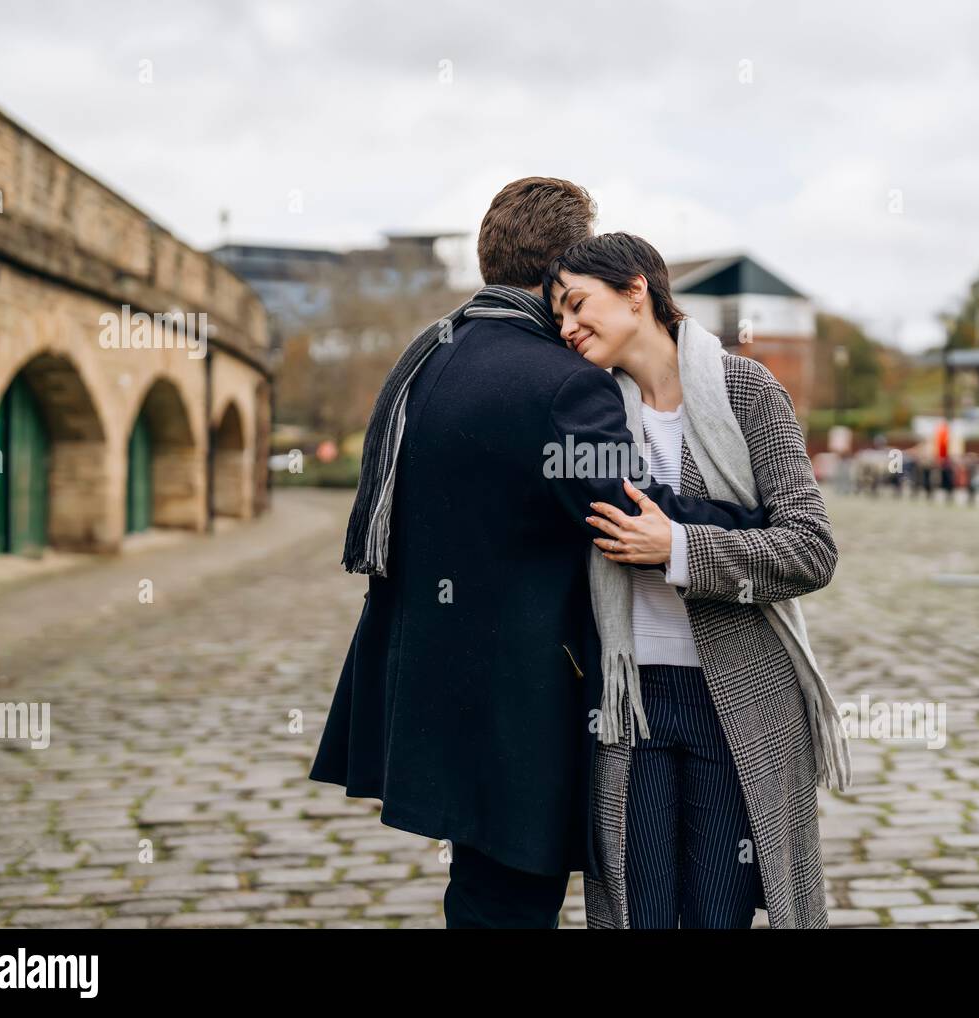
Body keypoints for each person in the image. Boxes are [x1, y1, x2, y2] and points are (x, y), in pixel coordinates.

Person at [308, 179, 767, 929]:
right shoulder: (562, 385)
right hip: (521, 703)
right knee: (516, 902)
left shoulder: (426, 362)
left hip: (431, 679)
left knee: (481, 894)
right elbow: (628, 514)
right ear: (562, 268)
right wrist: (750, 527)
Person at [544, 232, 851, 928]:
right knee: (639, 913)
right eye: (558, 314)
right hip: (631, 700)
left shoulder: (747, 390)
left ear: (634, 291)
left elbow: (811, 548)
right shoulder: (585, 411)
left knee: (719, 913)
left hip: (737, 696)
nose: (566, 326)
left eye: (577, 304)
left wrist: (680, 547)